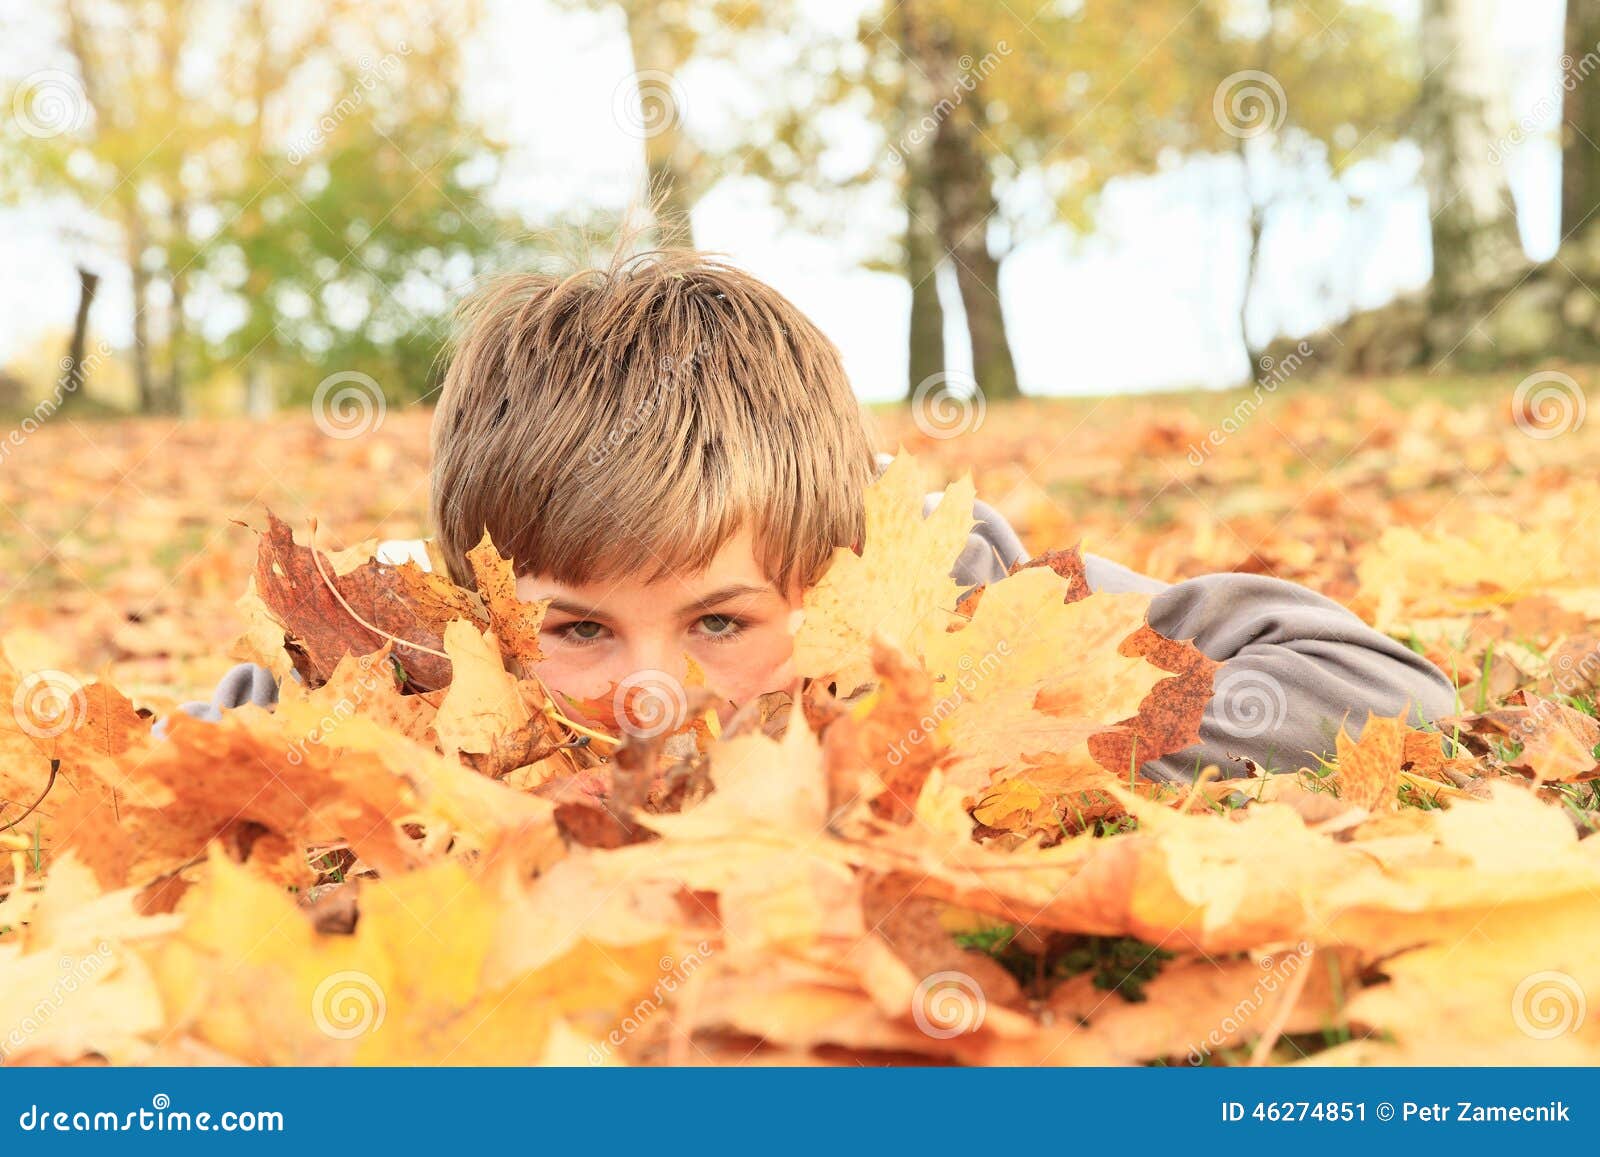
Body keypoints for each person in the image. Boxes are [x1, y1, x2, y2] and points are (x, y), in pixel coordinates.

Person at [174, 249, 1455, 782]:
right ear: (485, 608)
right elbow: (213, 733)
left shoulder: (956, 598)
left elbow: (1376, 679)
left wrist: (987, 741)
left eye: (721, 619)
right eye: (575, 629)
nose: (654, 694)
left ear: (836, 573)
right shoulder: (435, 662)